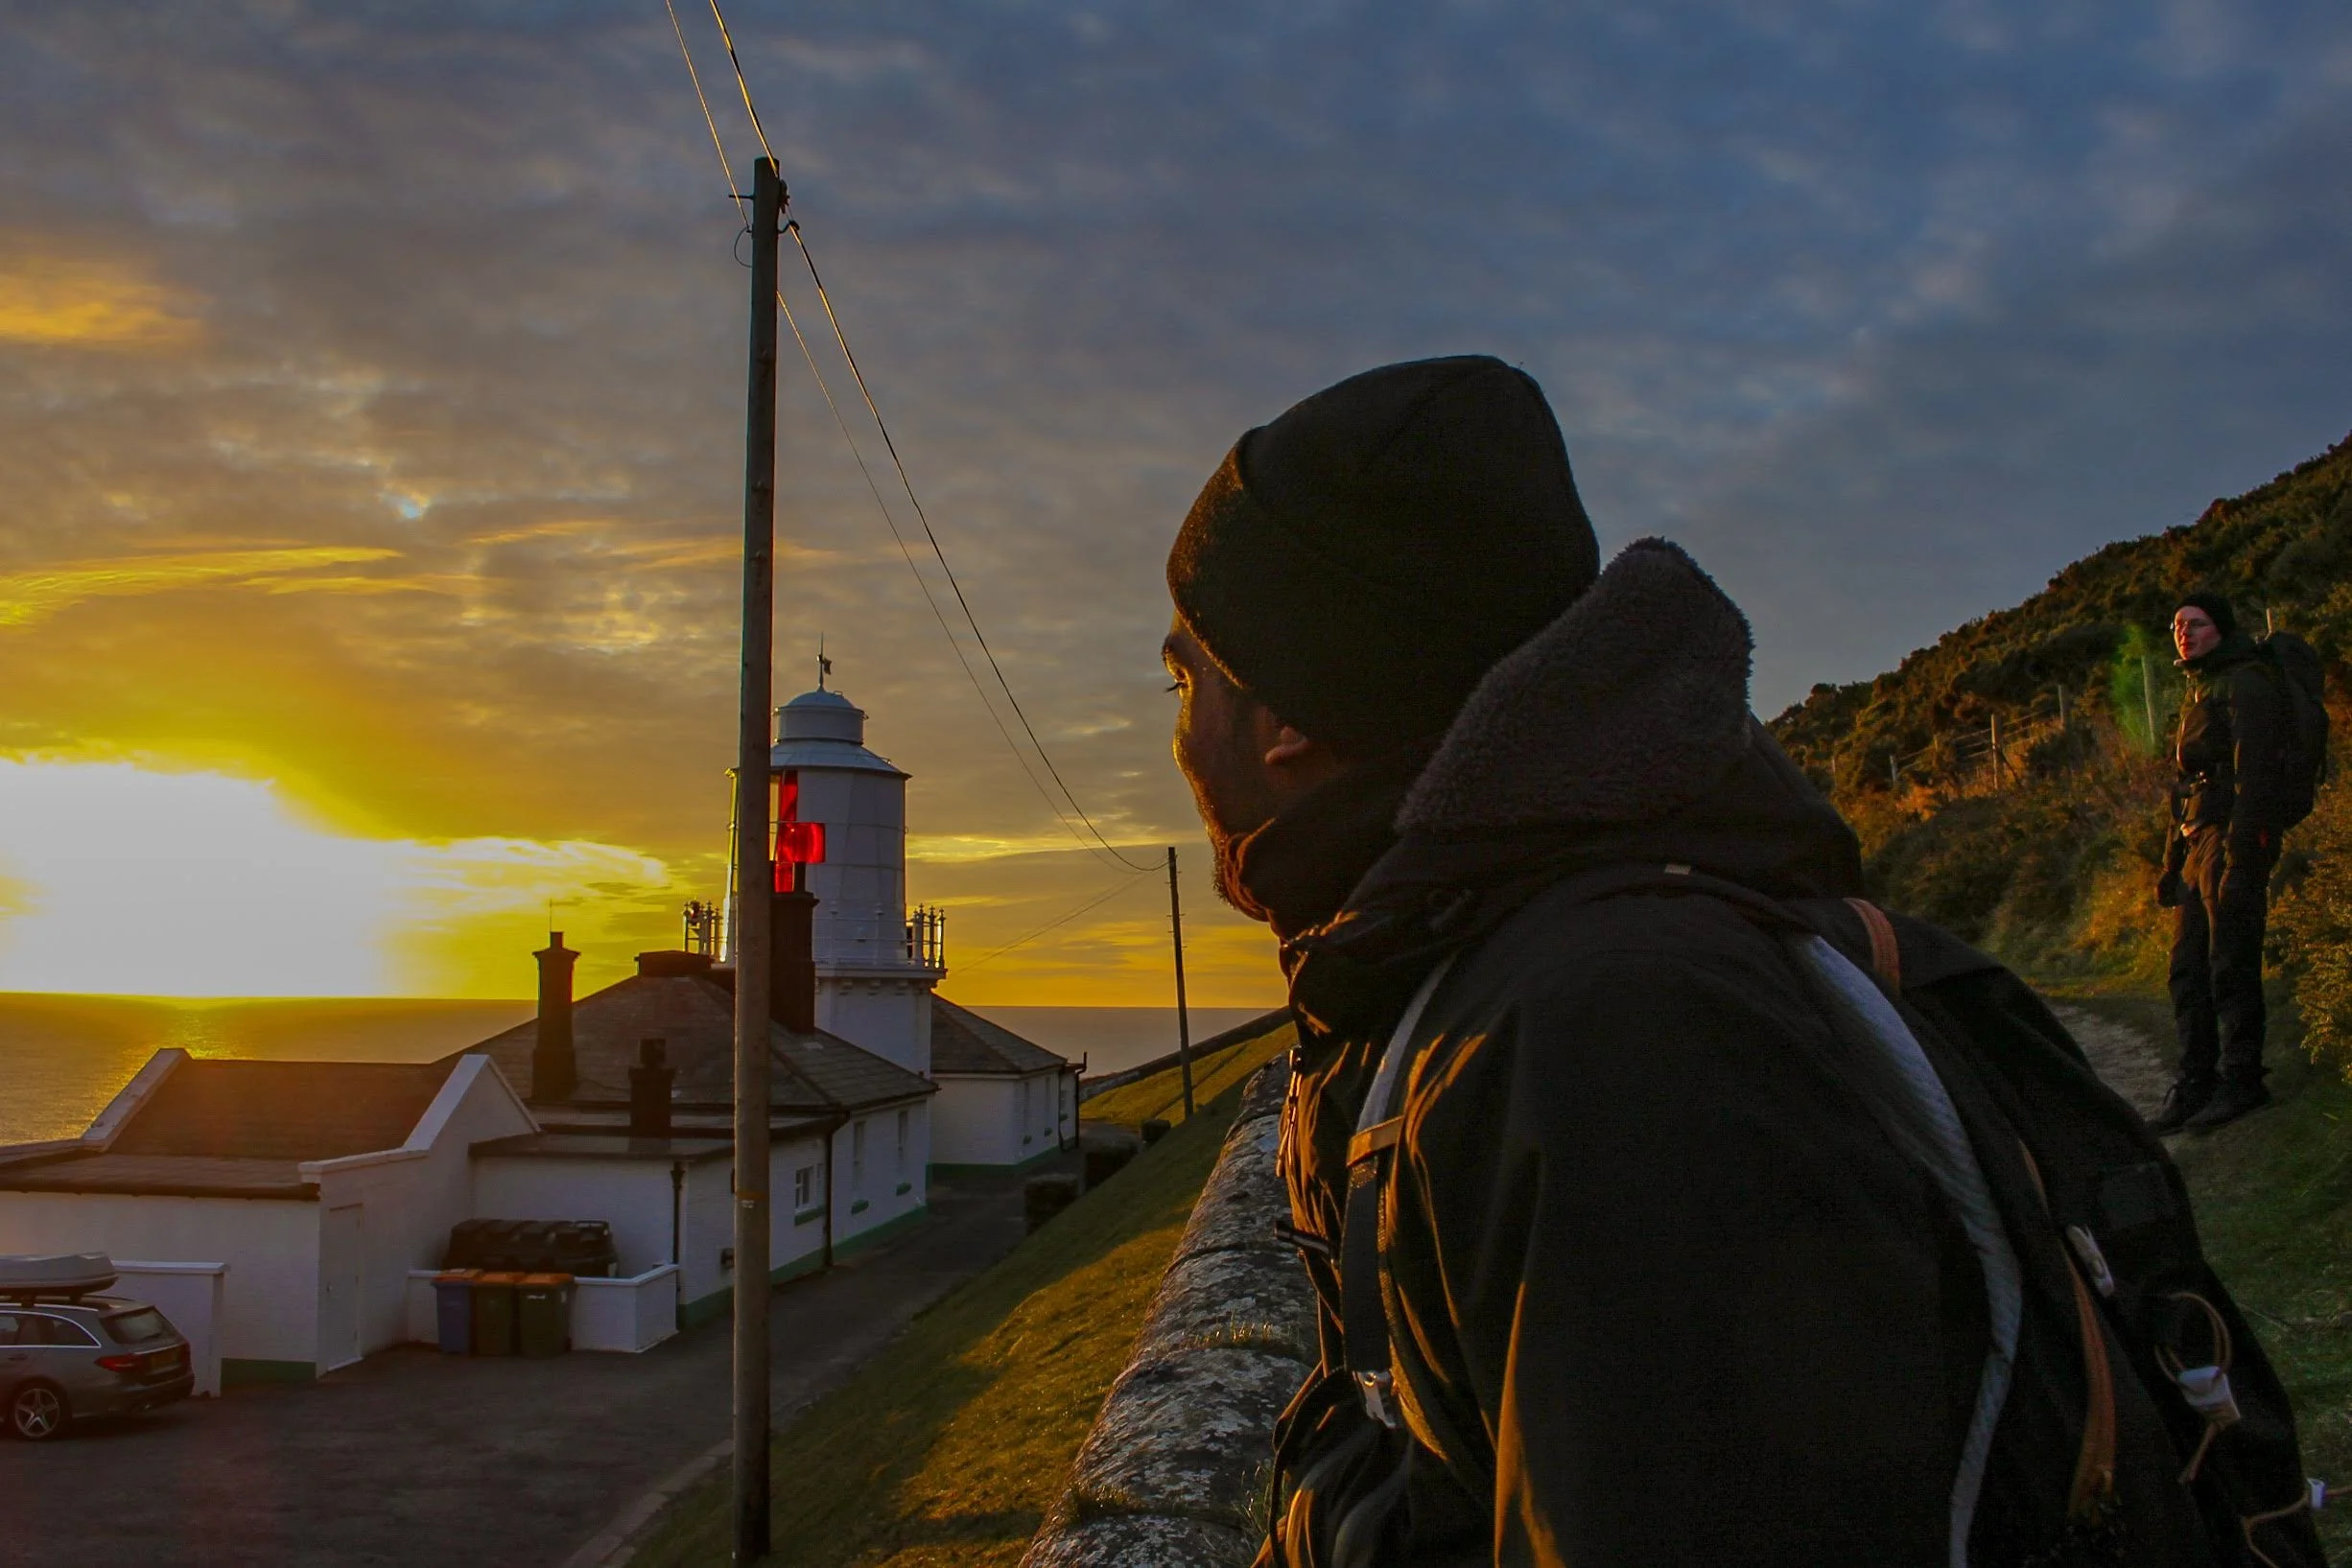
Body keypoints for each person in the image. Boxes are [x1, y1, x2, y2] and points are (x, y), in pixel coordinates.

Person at [1161, 358, 2277, 1566]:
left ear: (1292, 719)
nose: (1175, 732)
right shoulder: (1519, 968)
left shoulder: (1620, 1042)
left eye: (1183, 678)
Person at [2152, 593, 2293, 1135]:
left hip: (2232, 836)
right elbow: (2185, 785)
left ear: (2221, 629)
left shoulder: (2246, 684)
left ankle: (2241, 1080)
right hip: (2197, 841)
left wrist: (2241, 854)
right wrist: (2171, 862)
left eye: (2197, 623)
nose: (2184, 632)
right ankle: (2196, 1082)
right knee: (2187, 970)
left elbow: (2256, 775)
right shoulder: (2202, 688)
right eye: (2177, 624)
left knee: (2230, 961)